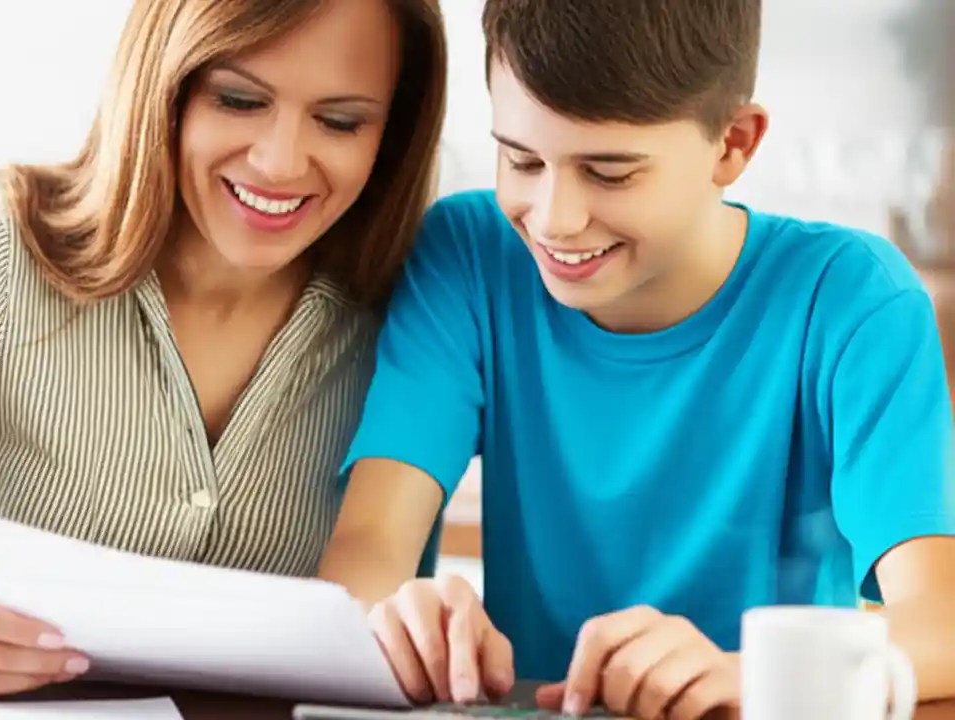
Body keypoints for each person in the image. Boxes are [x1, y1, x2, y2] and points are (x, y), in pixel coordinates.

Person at [0, 0, 446, 700]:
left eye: (340, 121)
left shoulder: (411, 320)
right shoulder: (2, 259)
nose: (280, 161)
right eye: (238, 101)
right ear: (163, 86)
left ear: (392, 134)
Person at [317, 0, 955, 718]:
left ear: (733, 145)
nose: (554, 218)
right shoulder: (468, 255)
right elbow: (371, 542)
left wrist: (744, 674)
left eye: (611, 172)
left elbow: (943, 619)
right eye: (521, 159)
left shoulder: (853, 300)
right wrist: (394, 620)